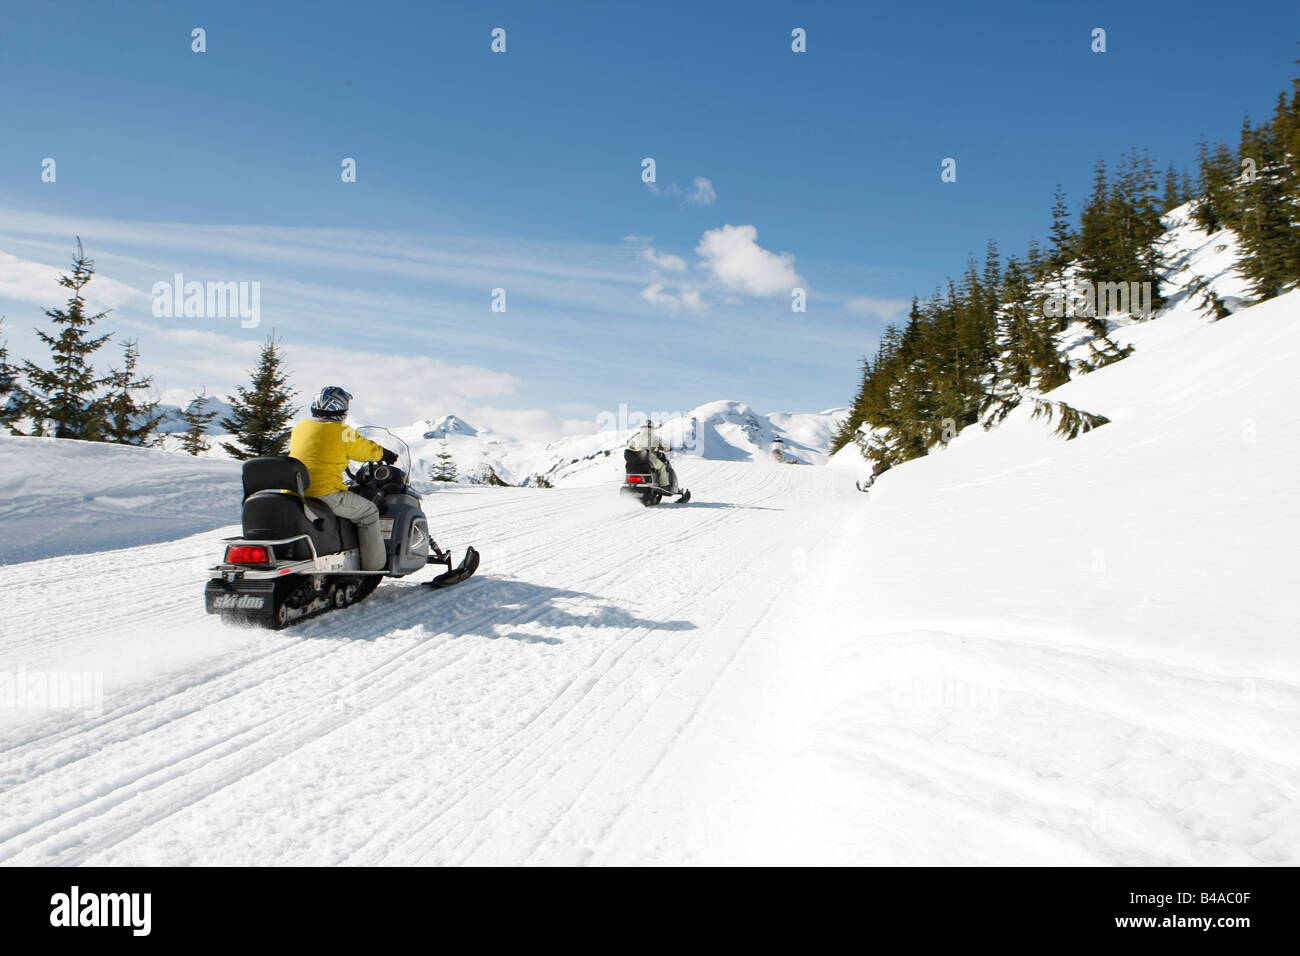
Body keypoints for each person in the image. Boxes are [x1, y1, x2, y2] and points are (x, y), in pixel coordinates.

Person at [288, 386, 398, 571]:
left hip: (295, 492)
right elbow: (364, 449)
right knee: (369, 512)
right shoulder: (342, 431)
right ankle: (374, 568)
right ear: (342, 409)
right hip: (323, 494)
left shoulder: (300, 428)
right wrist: (385, 454)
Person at [627, 419, 678, 492]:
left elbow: (630, 446)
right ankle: (665, 485)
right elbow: (663, 447)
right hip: (648, 458)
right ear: (651, 428)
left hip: (635, 459)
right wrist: (669, 448)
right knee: (662, 467)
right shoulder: (653, 437)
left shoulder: (636, 437)